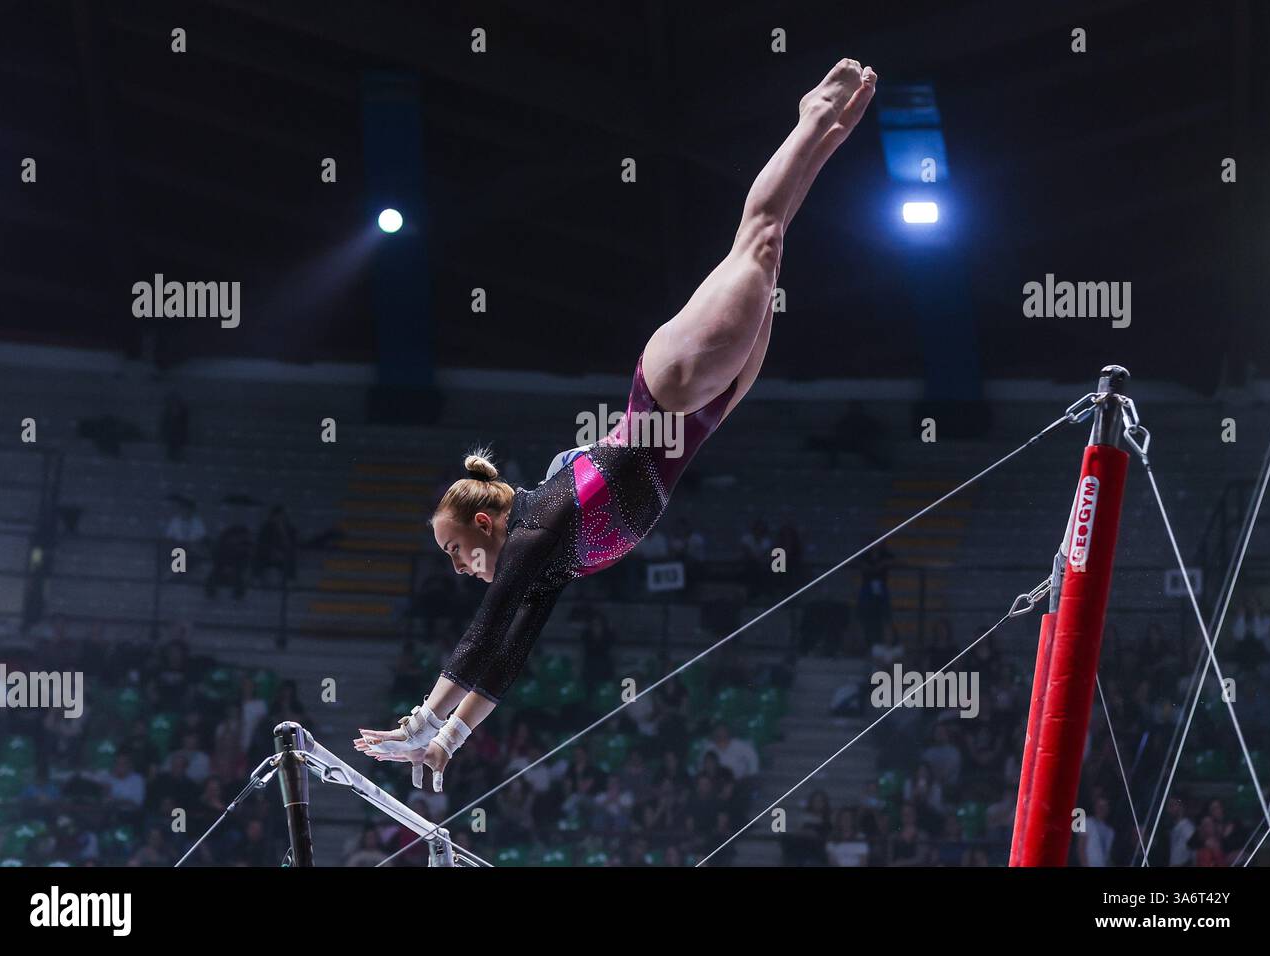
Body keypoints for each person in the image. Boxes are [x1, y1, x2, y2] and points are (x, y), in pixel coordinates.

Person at [355, 59, 880, 791]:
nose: (455, 566)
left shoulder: (533, 533)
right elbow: (507, 655)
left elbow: (479, 637)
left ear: (485, 521)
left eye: (454, 548)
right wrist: (449, 743)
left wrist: (422, 721)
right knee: (768, 244)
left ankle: (812, 118)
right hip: (705, 415)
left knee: (757, 241)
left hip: (669, 391)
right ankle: (824, 133)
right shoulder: (544, 565)